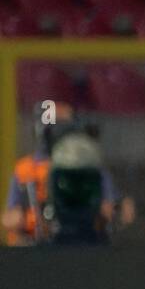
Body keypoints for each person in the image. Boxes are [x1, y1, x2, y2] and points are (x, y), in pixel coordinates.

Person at [3, 103, 133, 247]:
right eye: (56, 126)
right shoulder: (26, 169)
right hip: (36, 245)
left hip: (88, 241)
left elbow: (113, 209)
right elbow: (11, 217)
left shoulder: (90, 166)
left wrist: (110, 213)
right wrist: (28, 220)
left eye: (66, 127)